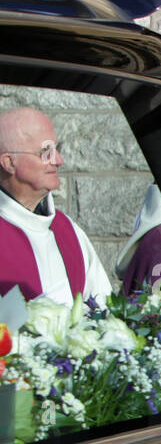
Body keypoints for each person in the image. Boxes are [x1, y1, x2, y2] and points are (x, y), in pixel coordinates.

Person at [0, 107, 111, 306]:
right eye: (46, 151)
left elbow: (104, 307)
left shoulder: (68, 230)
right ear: (9, 162)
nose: (59, 160)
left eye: (56, 150)